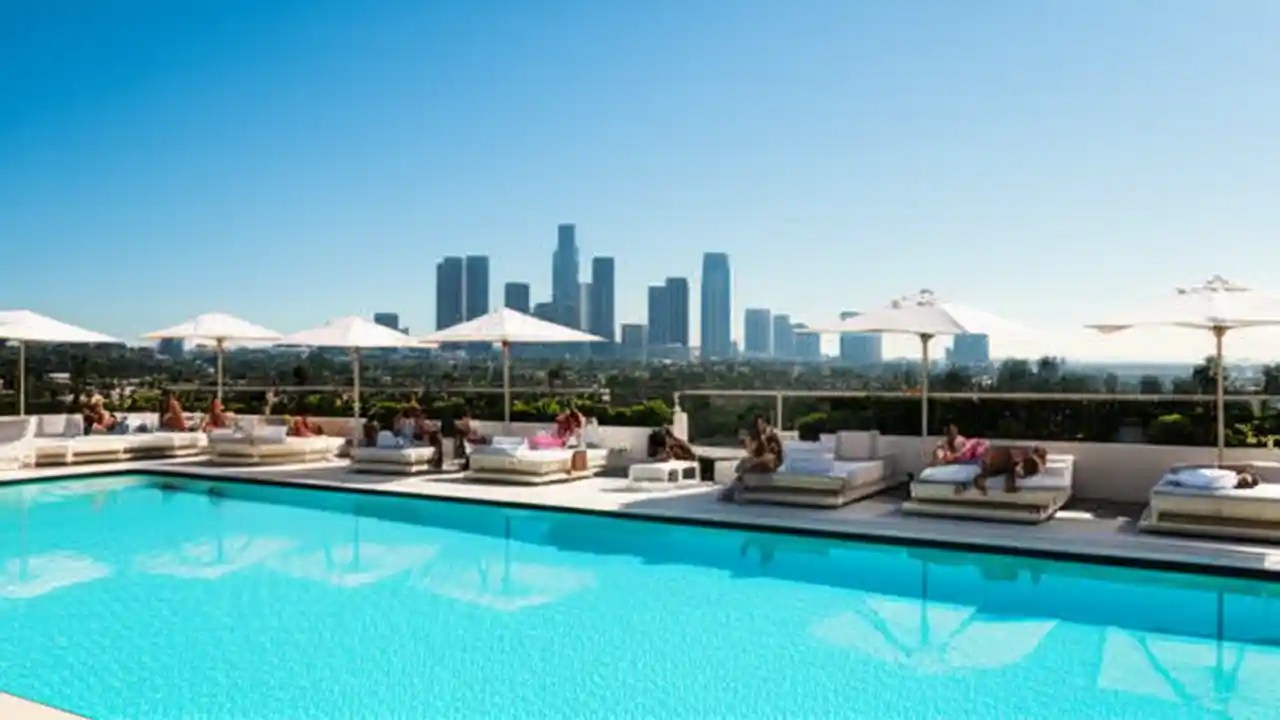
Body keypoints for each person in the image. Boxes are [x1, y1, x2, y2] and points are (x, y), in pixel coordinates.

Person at [720, 415, 784, 502]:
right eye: (758, 424)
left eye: (761, 424)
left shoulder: (771, 439)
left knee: (750, 470)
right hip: (759, 469)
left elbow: (772, 458)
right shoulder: (758, 438)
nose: (760, 426)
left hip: (767, 471)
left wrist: (754, 461)